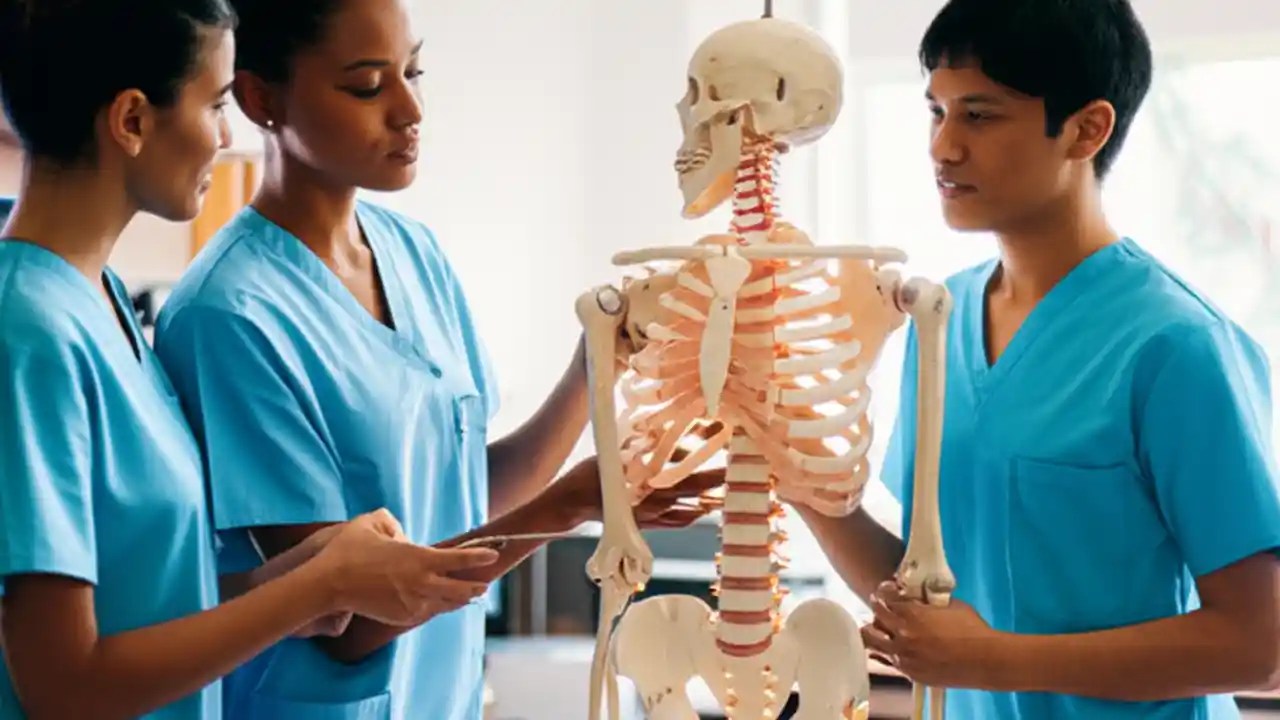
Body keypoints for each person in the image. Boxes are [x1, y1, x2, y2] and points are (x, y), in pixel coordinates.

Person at [150, 0, 721, 718]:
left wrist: (592, 367)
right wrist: (570, 504)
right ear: (262, 98)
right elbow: (346, 621)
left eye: (414, 72)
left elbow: (464, 491)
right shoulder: (229, 315)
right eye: (367, 86)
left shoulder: (413, 253)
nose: (410, 109)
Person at [0, 1, 508, 719]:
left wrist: (318, 571)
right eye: (214, 105)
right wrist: (319, 589)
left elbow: (156, 602)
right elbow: (63, 686)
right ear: (133, 120)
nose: (226, 135)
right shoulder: (30, 333)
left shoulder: (100, 301)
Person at [799, 0, 1280, 718]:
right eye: (937, 111)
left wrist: (991, 660)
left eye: (980, 116)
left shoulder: (1175, 347)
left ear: (1087, 129)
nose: (943, 147)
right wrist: (803, 482)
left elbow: (1261, 648)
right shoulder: (938, 325)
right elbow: (931, 595)